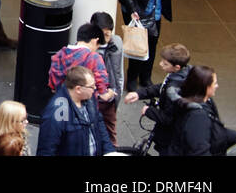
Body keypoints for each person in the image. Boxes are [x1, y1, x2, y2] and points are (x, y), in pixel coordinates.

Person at [123, 42, 191, 155]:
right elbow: (162, 87)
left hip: (172, 136)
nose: (160, 64)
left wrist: (149, 111)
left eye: (165, 64)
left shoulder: (174, 90)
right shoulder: (182, 74)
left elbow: (168, 118)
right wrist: (140, 94)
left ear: (176, 67)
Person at [165, 65, 236, 156]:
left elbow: (215, 130)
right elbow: (199, 151)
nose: (217, 86)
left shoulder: (199, 103)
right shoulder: (198, 116)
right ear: (206, 87)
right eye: (215, 83)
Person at [37, 65, 115, 156]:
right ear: (78, 89)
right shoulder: (57, 113)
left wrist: (109, 151)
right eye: (91, 86)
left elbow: (99, 124)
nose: (94, 89)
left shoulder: (88, 97)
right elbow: (47, 150)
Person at [90, 11, 124, 146]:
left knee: (110, 133)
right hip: (92, 97)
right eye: (102, 34)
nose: (105, 38)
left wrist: (117, 97)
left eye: (107, 34)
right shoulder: (88, 47)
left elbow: (119, 72)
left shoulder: (117, 43)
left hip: (110, 98)